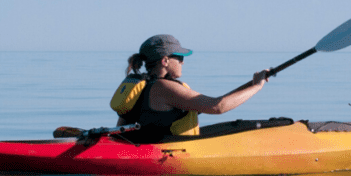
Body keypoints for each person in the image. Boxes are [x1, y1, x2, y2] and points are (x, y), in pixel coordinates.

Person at [110, 34, 271, 144]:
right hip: (162, 156)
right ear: (165, 61)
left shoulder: (141, 86)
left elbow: (216, 101)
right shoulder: (164, 87)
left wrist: (251, 83)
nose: (183, 62)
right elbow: (218, 106)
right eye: (179, 57)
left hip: (138, 148)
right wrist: (257, 87)